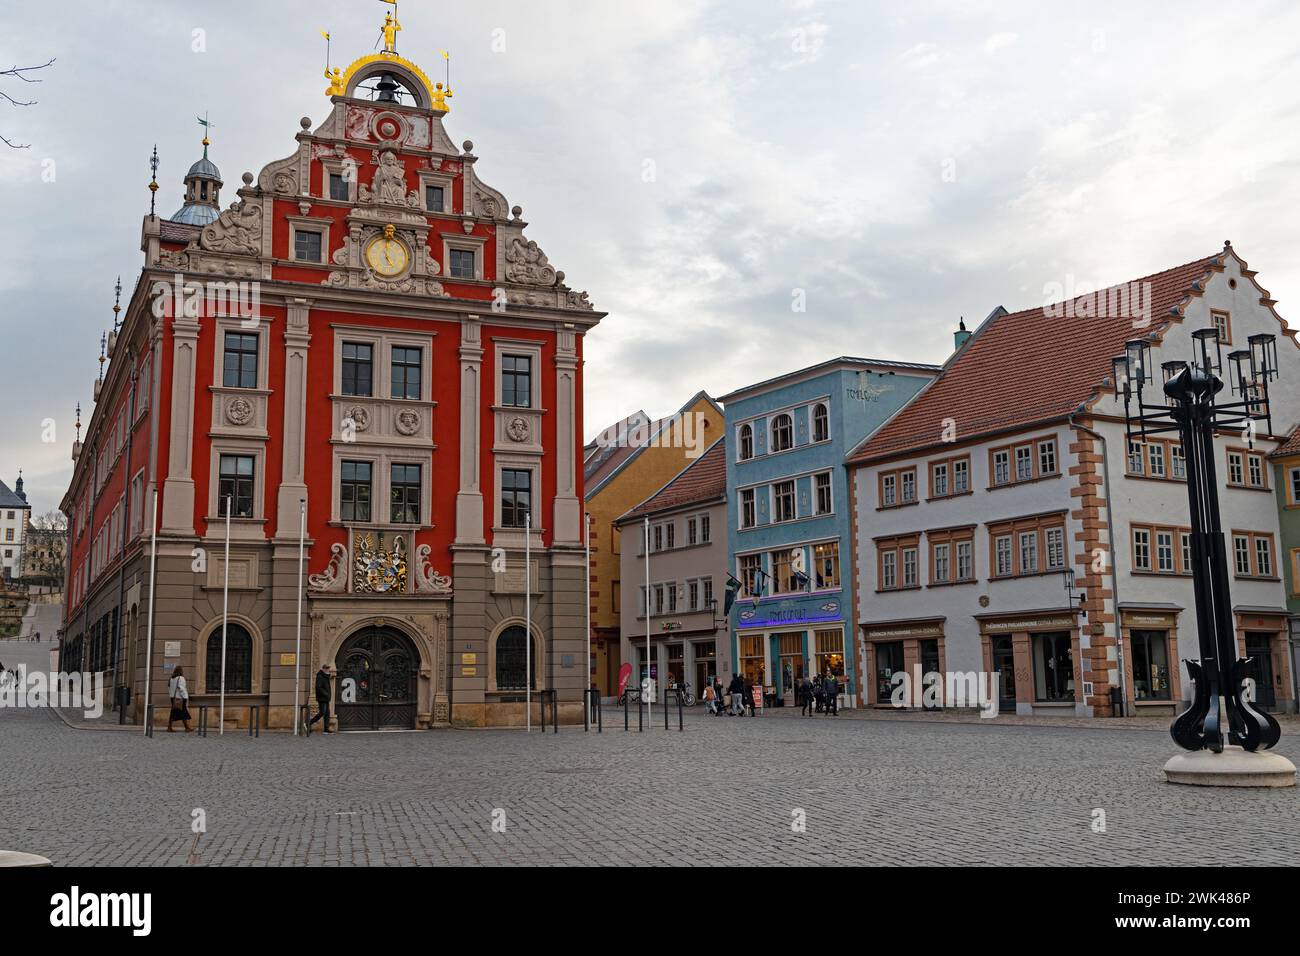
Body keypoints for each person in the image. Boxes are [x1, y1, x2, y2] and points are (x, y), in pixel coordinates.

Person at [308, 664, 334, 734]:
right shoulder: (320, 676)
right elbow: (318, 687)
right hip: (322, 698)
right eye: (326, 669)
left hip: (326, 698)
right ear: (323, 669)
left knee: (327, 714)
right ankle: (308, 723)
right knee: (322, 713)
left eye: (328, 669)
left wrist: (328, 695)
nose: (328, 670)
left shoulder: (325, 676)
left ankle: (326, 729)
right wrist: (326, 694)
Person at [167, 665, 192, 732]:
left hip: (173, 698)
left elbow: (169, 688)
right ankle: (186, 728)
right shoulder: (181, 678)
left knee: (175, 712)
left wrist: (171, 695)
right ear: (181, 671)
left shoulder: (171, 678)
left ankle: (170, 727)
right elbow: (182, 688)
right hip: (180, 698)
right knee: (182, 711)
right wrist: (185, 697)